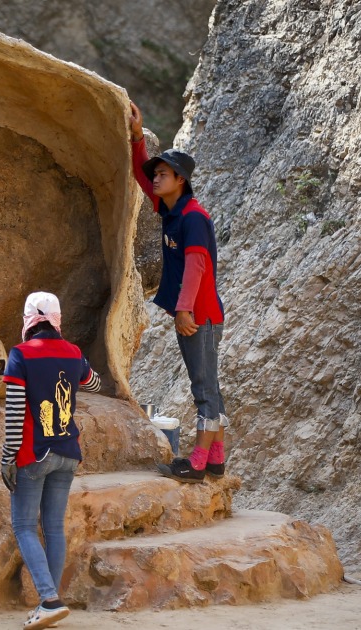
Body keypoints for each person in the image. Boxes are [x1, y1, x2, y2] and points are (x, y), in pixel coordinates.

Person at [128, 102, 228, 483]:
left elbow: (197, 267)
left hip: (199, 315)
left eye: (164, 174)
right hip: (199, 314)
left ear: (180, 180)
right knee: (210, 388)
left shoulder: (193, 218)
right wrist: (138, 136)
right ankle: (216, 459)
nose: (156, 178)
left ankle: (199, 463)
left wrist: (184, 310)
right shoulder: (172, 210)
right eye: (157, 172)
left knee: (203, 390)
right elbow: (140, 176)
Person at [0, 291, 102, 630]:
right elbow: (94, 382)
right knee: (54, 527)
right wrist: (71, 373)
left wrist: (7, 457)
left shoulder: (20, 355)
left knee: (25, 526)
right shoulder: (74, 353)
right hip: (67, 452)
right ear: (57, 319)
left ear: (29, 320)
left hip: (34, 453)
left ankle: (49, 599)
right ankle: (51, 602)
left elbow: (14, 413)